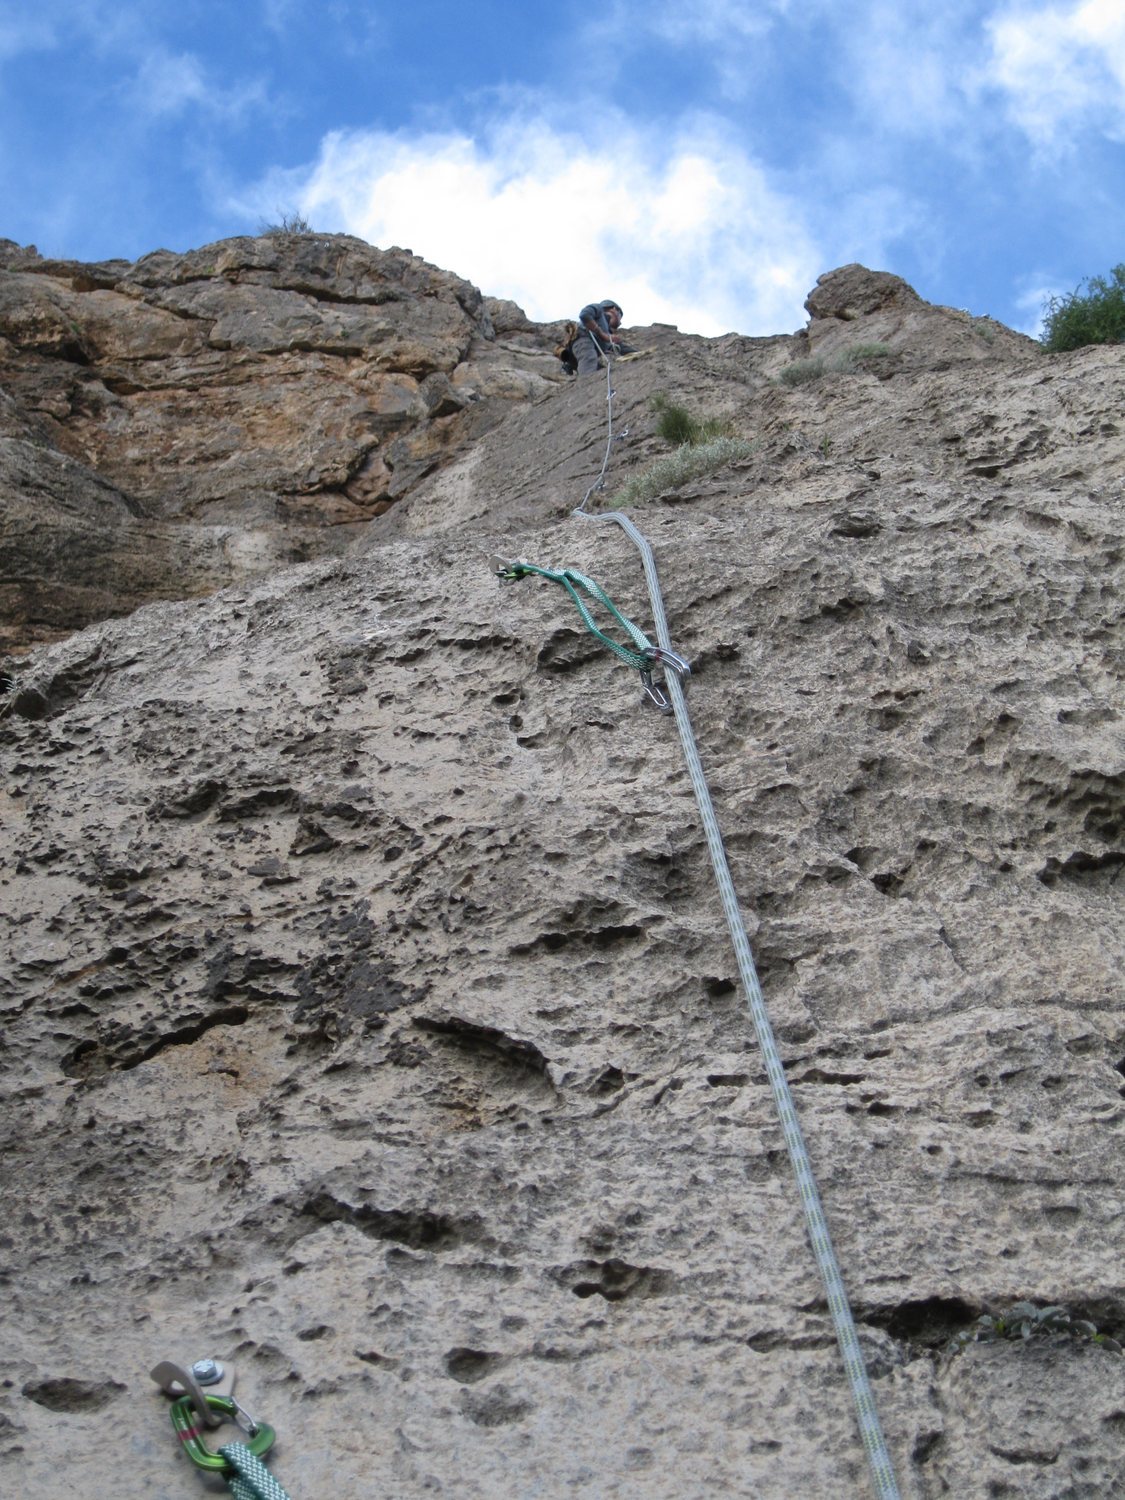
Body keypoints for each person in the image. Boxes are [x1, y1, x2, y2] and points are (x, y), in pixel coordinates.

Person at [573, 299, 633, 375]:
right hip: (583, 341)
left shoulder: (606, 330)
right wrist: (603, 335)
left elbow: (620, 348)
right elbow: (584, 315)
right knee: (589, 363)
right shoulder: (599, 309)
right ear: (614, 309)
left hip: (578, 352)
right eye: (620, 317)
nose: (620, 323)